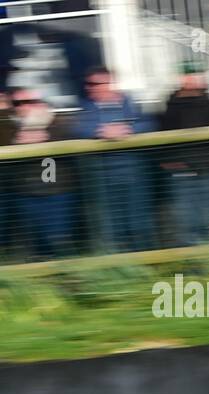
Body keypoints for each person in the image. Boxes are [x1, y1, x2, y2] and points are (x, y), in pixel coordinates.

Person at [75, 67, 154, 253]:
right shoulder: (86, 107)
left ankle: (144, 257)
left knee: (138, 218)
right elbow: (77, 129)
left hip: (133, 173)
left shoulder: (130, 104)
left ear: (110, 83)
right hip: (102, 177)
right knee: (110, 222)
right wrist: (99, 132)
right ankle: (116, 261)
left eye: (96, 84)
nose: (91, 88)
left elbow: (150, 123)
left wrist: (128, 130)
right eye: (89, 84)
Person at [3, 87, 78, 258]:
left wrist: (45, 135)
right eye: (18, 103)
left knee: (57, 240)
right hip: (25, 193)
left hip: (57, 192)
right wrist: (18, 141)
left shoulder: (57, 121)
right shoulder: (8, 125)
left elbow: (71, 137)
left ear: (41, 102)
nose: (24, 107)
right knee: (32, 242)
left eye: (30, 102)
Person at [159, 64, 209, 246]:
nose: (191, 80)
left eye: (195, 75)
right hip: (181, 169)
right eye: (187, 76)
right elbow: (163, 136)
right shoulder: (170, 105)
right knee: (187, 217)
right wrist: (169, 162)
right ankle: (192, 254)